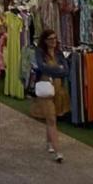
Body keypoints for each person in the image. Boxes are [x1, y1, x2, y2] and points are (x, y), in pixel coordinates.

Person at [31, 28, 68, 162]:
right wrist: (58, 70)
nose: (53, 41)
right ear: (45, 41)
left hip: (58, 89)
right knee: (51, 119)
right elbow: (41, 67)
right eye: (50, 39)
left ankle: (49, 142)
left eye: (55, 39)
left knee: (52, 117)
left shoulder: (59, 53)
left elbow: (66, 71)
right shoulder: (40, 52)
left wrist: (53, 70)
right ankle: (58, 152)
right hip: (45, 87)